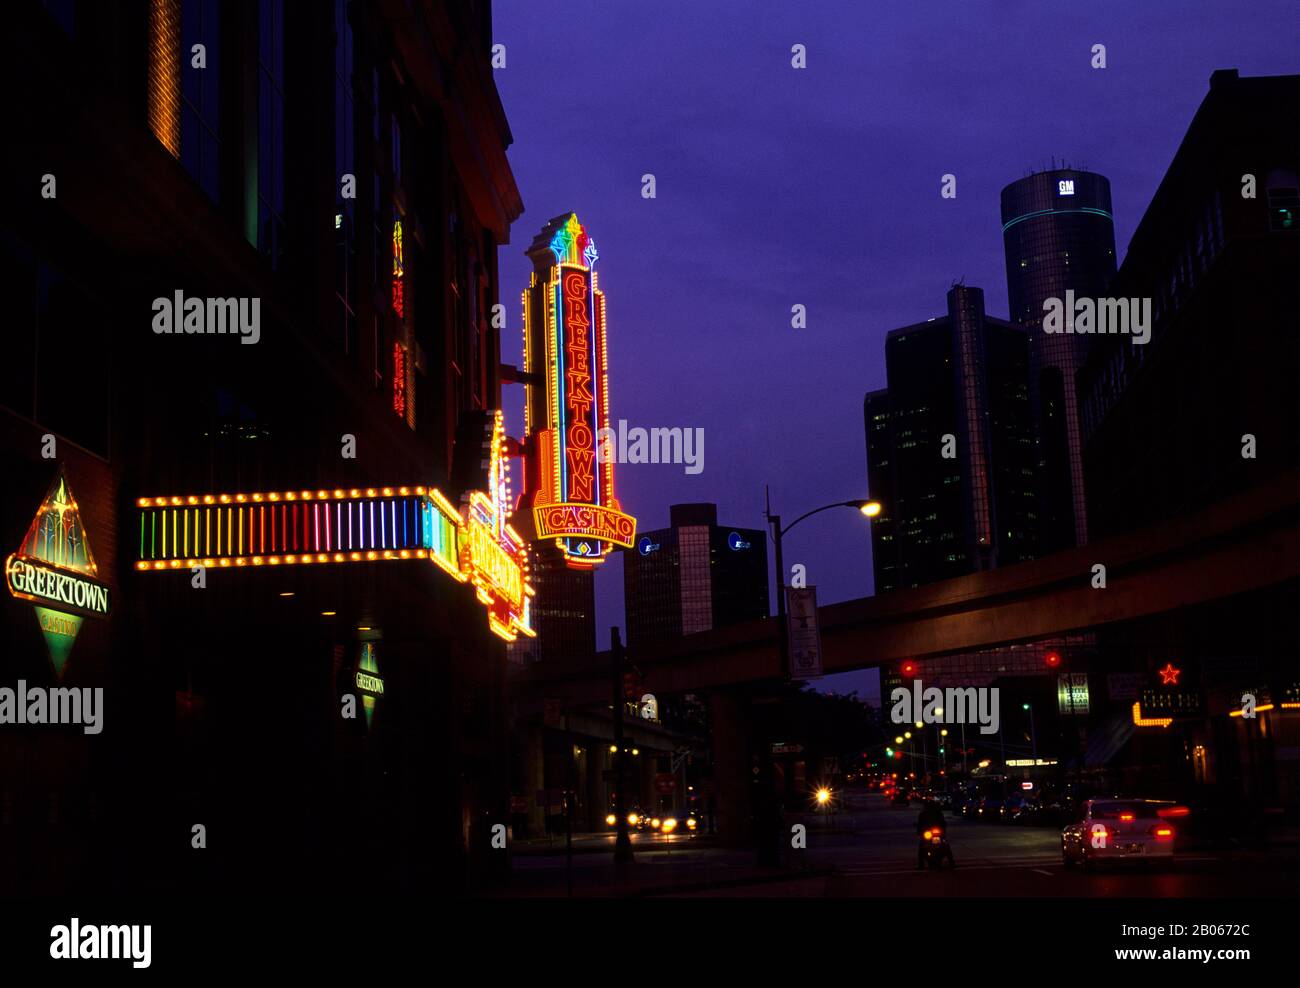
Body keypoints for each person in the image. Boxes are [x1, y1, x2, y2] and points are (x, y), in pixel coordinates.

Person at [915, 799, 946, 869]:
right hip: (928, 833)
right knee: (922, 846)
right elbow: (920, 824)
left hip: (938, 833)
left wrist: (943, 831)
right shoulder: (923, 814)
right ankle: (921, 864)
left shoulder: (938, 813)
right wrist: (920, 831)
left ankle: (951, 861)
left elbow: (943, 823)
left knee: (945, 844)